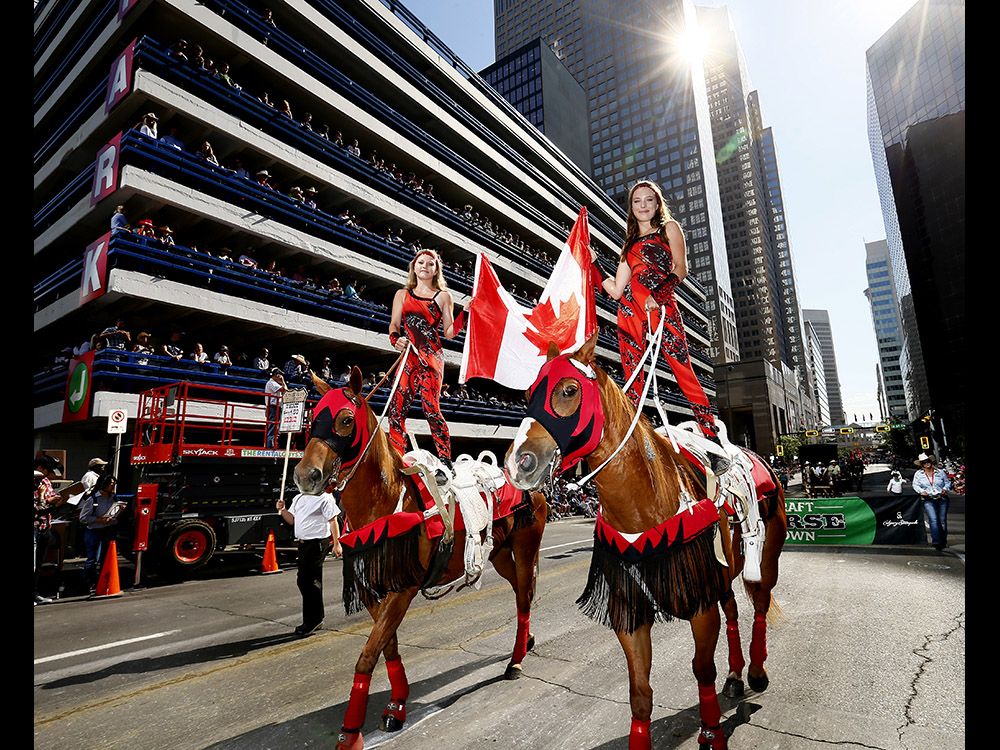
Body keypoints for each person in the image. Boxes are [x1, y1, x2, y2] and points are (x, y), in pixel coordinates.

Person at [597, 179, 730, 475]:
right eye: (637, 201)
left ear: (657, 204)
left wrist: (658, 297)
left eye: (648, 200)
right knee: (634, 382)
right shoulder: (628, 246)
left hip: (663, 309)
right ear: (631, 208)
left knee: (684, 373)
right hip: (630, 313)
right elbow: (616, 289)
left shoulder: (669, 229)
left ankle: (713, 440)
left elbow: (680, 269)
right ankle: (632, 444)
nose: (643, 205)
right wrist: (594, 265)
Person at [387, 249, 465, 482]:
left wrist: (466, 313)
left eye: (430, 264)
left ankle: (445, 462)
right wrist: (395, 339)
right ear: (414, 267)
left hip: (431, 358)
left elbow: (449, 333)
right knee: (395, 411)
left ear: (436, 269)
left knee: (431, 409)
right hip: (408, 357)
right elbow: (394, 325)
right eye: (420, 262)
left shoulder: (443, 296)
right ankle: (396, 458)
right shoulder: (402, 294)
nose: (425, 266)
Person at [275, 490, 342, 636]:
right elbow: (292, 520)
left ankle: (312, 621)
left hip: (318, 543)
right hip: (304, 544)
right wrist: (283, 509)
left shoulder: (325, 498)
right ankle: (316, 617)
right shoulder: (298, 498)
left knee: (309, 581)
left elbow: (333, 520)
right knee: (305, 581)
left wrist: (337, 543)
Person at [78, 474, 123, 595]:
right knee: (92, 558)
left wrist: (115, 516)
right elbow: (83, 518)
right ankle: (89, 583)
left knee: (104, 558)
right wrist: (99, 519)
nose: (113, 486)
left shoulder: (114, 498)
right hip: (93, 531)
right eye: (111, 483)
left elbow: (115, 515)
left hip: (107, 530)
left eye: (114, 483)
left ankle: (102, 582)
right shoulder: (93, 499)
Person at [34, 456, 66, 605]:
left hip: (45, 526)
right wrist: (46, 500)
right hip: (35, 526)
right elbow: (38, 505)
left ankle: (35, 593)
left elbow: (50, 497)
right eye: (47, 470)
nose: (48, 474)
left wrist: (58, 499)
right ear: (40, 467)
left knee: (38, 564)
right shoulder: (36, 481)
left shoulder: (45, 481)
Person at [912, 452, 952, 551]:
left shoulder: (940, 472)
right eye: (924, 462)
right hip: (928, 499)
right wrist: (922, 492)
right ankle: (936, 541)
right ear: (921, 465)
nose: (926, 463)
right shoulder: (918, 474)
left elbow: (947, 483)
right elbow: (915, 485)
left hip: (942, 498)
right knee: (933, 520)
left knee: (942, 521)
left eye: (927, 461)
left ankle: (943, 540)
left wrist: (945, 489)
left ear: (931, 461)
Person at [264, 368, 287, 448]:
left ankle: (272, 444)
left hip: (275, 407)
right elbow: (285, 390)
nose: (281, 377)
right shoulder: (272, 383)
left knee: (275, 426)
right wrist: (283, 381)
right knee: (273, 426)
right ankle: (270, 446)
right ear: (277, 375)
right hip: (273, 407)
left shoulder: (273, 383)